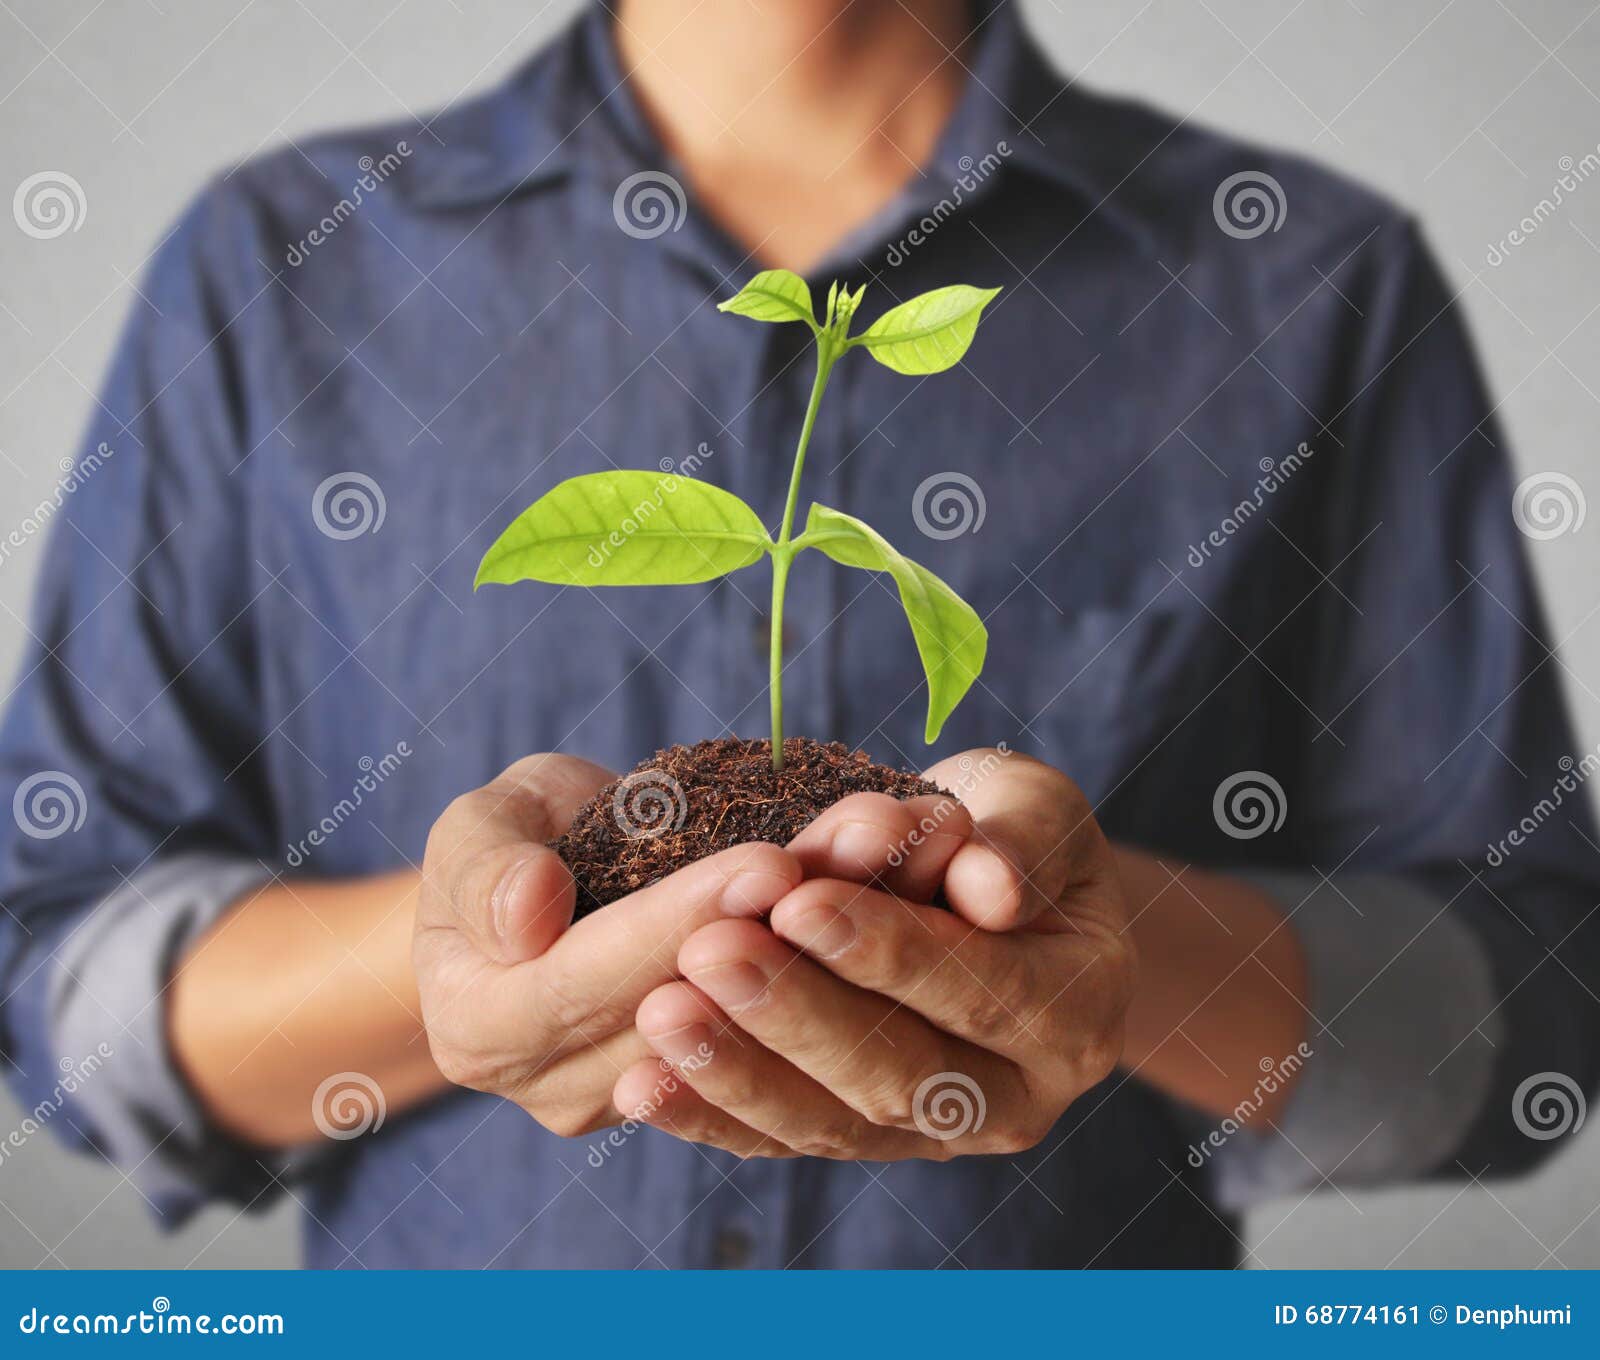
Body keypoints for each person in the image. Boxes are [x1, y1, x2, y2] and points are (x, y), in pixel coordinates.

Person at [1, 0, 1595, 1270]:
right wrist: (465, 964)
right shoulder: (288, 260)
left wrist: (1111, 960)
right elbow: (54, 976)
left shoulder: (1306, 280)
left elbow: (1534, 1007)